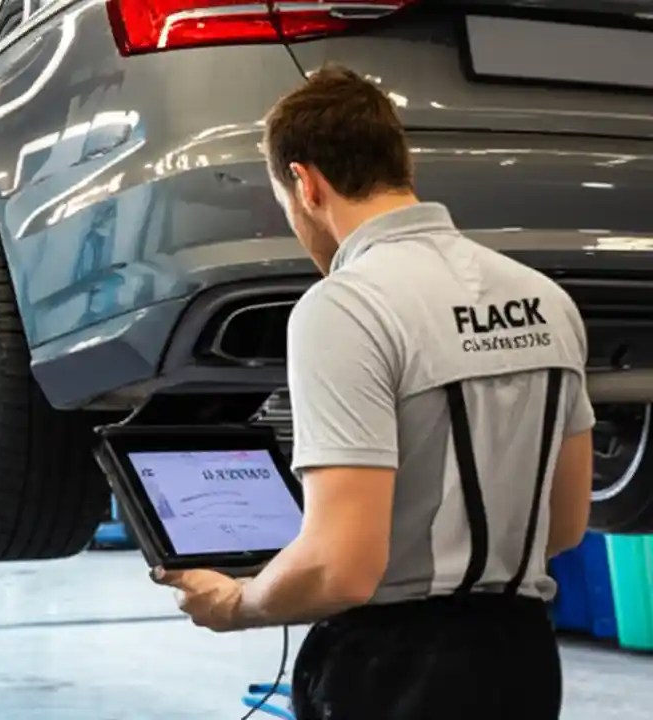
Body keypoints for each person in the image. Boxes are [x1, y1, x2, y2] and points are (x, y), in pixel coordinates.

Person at [155, 66, 594, 719]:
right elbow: (564, 523)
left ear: (306, 184)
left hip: (396, 671)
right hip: (524, 661)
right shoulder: (545, 300)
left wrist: (235, 604)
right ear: (399, 163)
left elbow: (343, 566)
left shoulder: (346, 307)